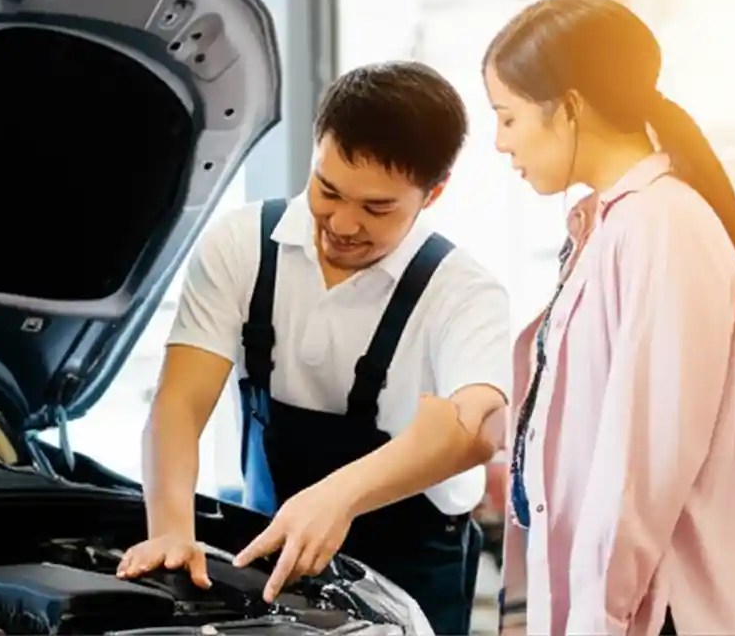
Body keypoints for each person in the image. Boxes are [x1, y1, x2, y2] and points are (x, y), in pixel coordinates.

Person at [116, 60, 511, 635]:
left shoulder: (462, 291)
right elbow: (178, 404)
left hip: (416, 571)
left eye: (377, 208)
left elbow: (480, 426)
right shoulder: (242, 246)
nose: (344, 223)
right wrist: (171, 531)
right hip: (271, 552)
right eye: (328, 189)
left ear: (434, 193)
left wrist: (340, 495)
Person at [483, 0, 735, 636]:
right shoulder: (612, 226)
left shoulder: (662, 228)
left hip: (660, 610)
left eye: (506, 119)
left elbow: (640, 468)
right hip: (620, 606)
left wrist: (599, 619)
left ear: (568, 107)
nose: (499, 144)